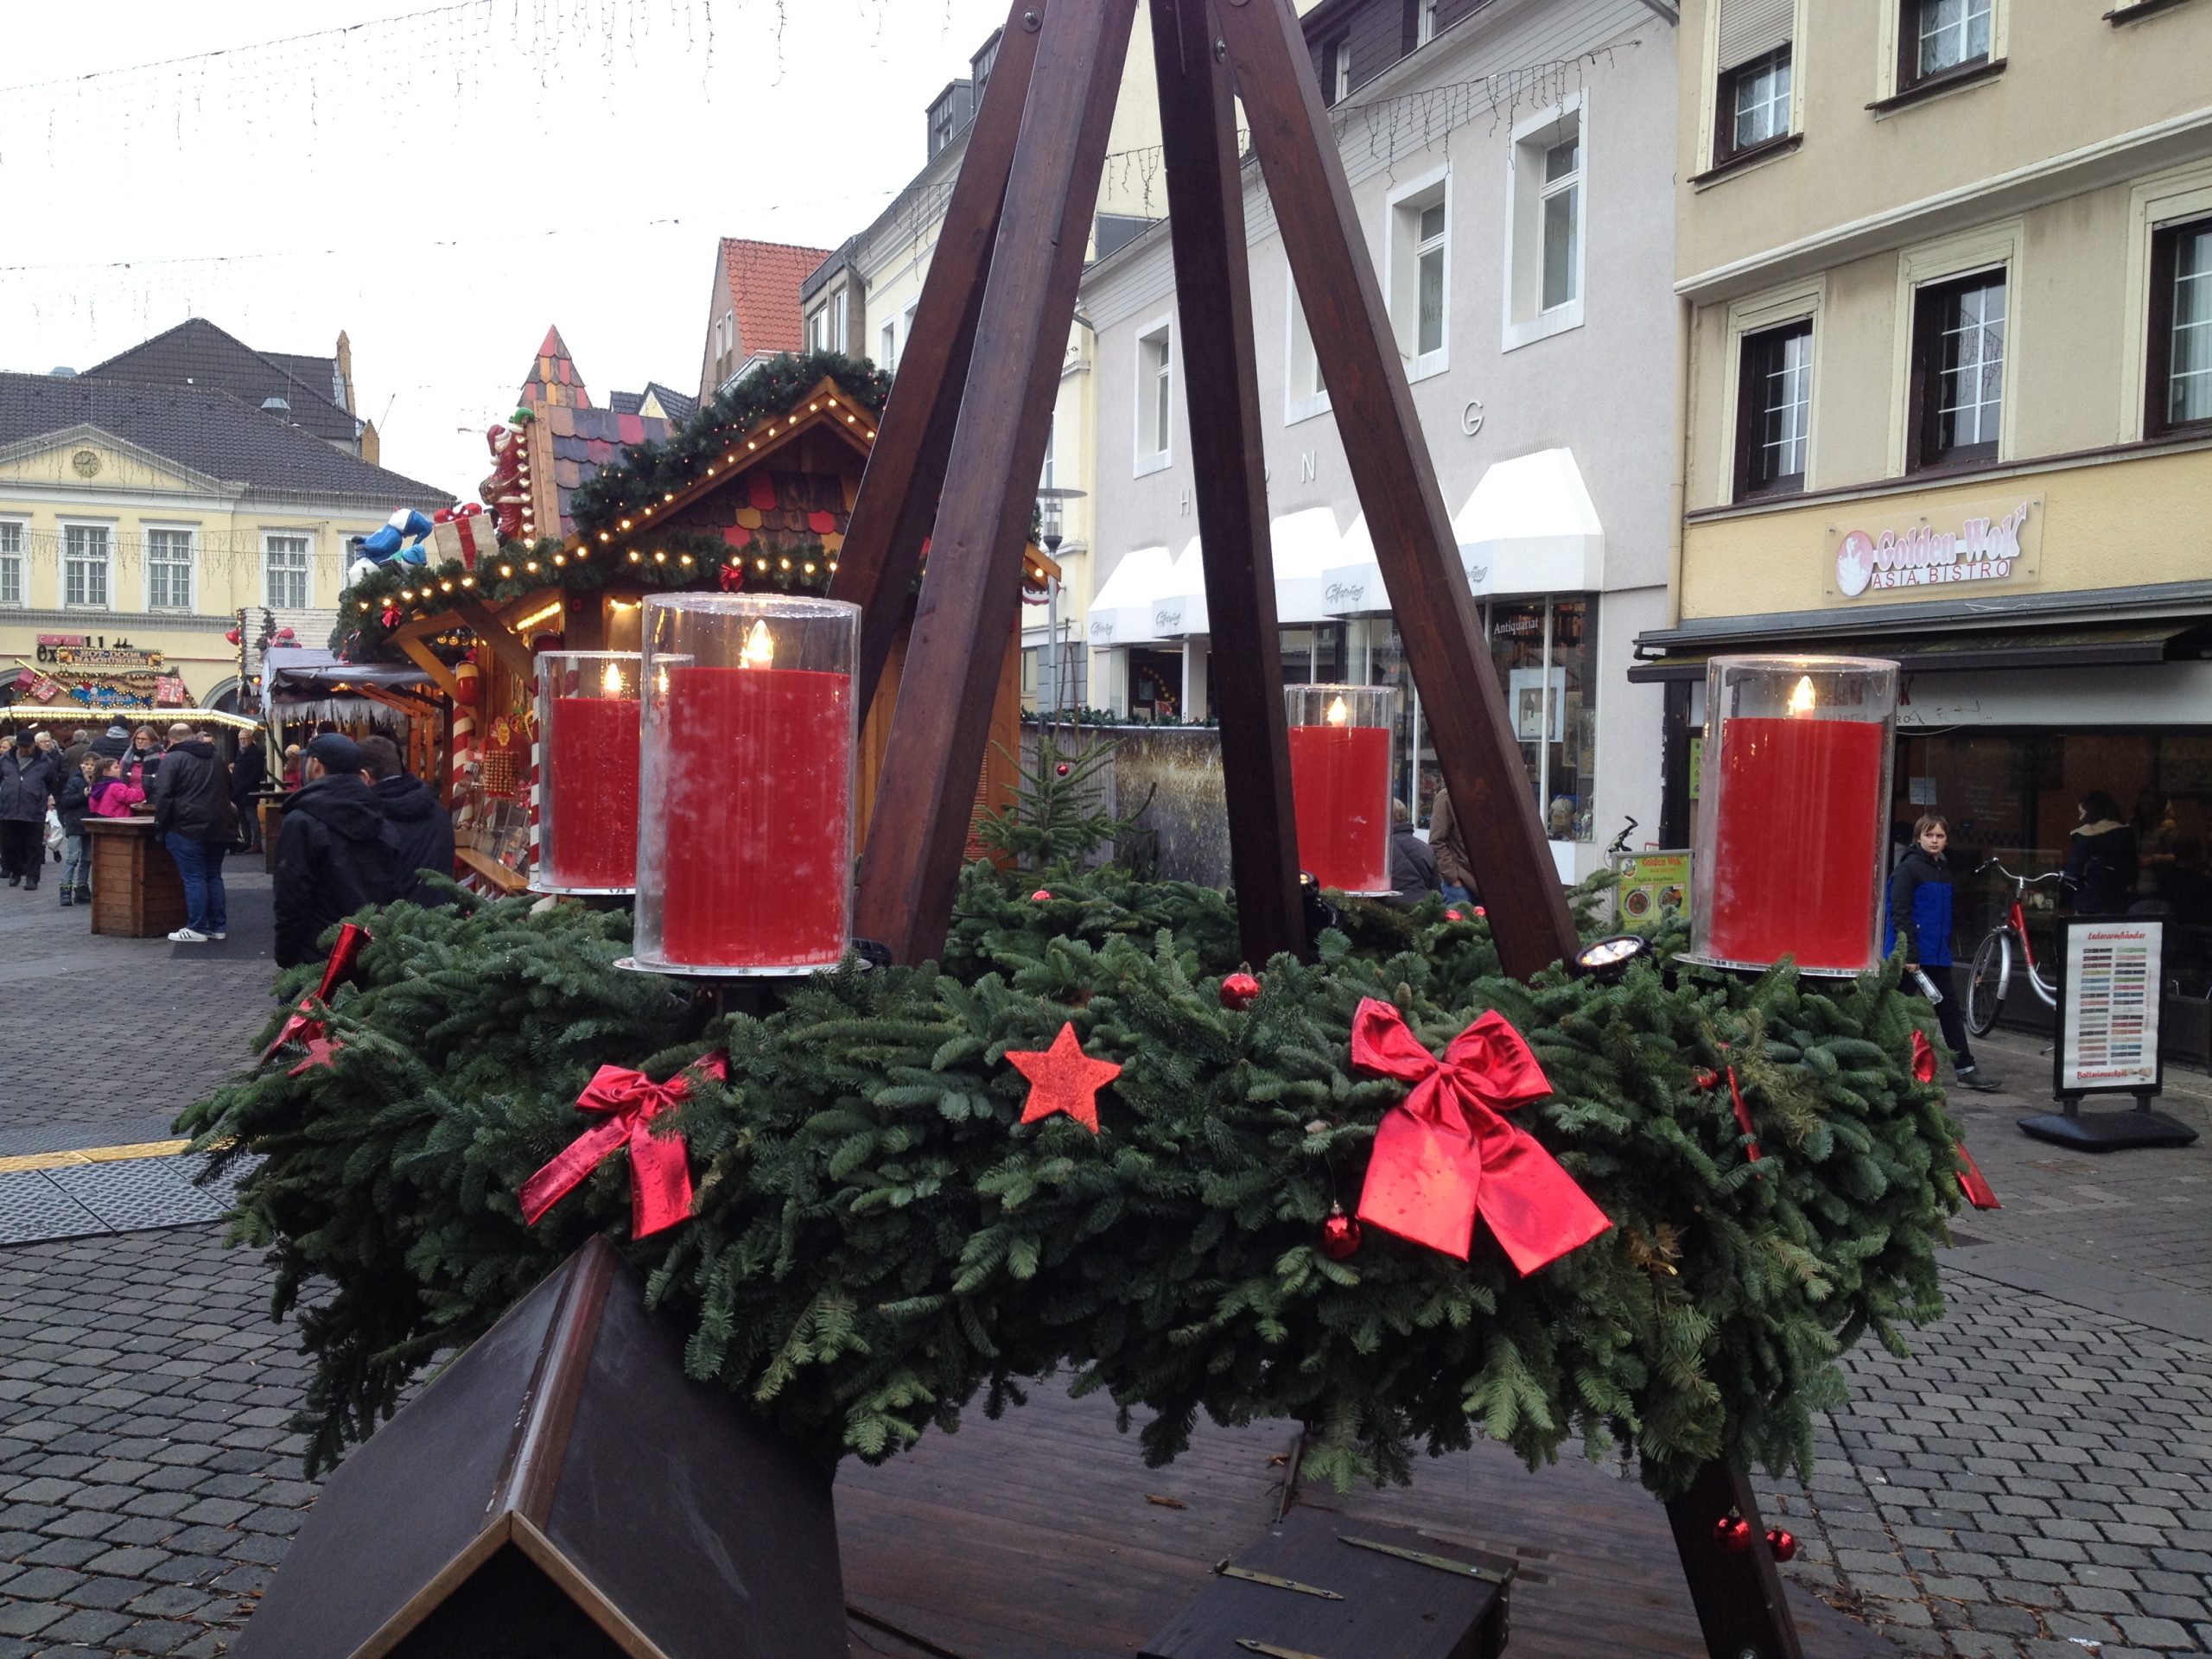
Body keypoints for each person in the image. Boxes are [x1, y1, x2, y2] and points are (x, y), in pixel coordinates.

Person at [1886, 814, 1999, 1093]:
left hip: (1936, 957)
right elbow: (1899, 913)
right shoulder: (1908, 870)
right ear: (1918, 838)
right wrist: (1909, 954)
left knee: (1948, 1010)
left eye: (1939, 836)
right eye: (1929, 835)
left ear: (1946, 840)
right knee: (1892, 1011)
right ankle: (1881, 1062)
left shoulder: (1943, 871)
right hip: (1911, 958)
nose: (1934, 841)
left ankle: (1965, 1067)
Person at [273, 733, 399, 969]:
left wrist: (286, 954)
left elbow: (292, 896)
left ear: (316, 765)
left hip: (316, 950)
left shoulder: (302, 821)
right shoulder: (377, 815)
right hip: (367, 946)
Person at [149, 721, 235, 944]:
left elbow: (163, 795)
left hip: (187, 826)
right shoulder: (217, 758)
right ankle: (218, 926)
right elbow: (228, 788)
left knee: (194, 878)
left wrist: (163, 824)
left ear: (171, 741)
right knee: (213, 876)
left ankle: (197, 927)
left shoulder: (172, 759)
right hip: (219, 825)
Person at [359, 734, 455, 907]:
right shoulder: (438, 812)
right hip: (441, 924)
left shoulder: (370, 820)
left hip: (387, 926)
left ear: (365, 777)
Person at [2063, 791, 2139, 917]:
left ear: (2092, 812)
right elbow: (2131, 872)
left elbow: (2073, 873)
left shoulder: (2084, 836)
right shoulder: (2126, 834)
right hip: (2118, 901)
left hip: (2088, 902)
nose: (2080, 819)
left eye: (2082, 813)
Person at [1, 731, 58, 891]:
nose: (25, 749)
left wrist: (46, 798)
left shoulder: (44, 761)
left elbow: (52, 783)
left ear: (33, 745)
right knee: (9, 845)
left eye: (27, 746)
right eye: (21, 746)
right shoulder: (6, 760)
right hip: (9, 809)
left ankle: (32, 878)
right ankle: (17, 871)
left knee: (33, 846)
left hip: (33, 810)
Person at [1427, 786, 1479, 908]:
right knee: (1458, 926)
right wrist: (1452, 878)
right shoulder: (1446, 798)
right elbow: (1436, 841)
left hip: (1489, 887)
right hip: (1461, 884)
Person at [54, 753, 94, 906]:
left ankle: (81, 888)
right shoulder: (75, 781)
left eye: (93, 765)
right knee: (73, 857)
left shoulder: (98, 781)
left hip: (90, 823)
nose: (90, 767)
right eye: (87, 764)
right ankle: (65, 889)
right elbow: (65, 801)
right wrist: (82, 795)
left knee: (87, 858)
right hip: (75, 823)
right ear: (82, 765)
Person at [1387, 798, 1440, 906]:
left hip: (1388, 910)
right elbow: (1436, 890)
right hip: (1422, 909)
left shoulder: (1382, 850)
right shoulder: (1425, 848)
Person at [231, 731, 269, 852]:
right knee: (242, 818)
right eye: (240, 738)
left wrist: (242, 785)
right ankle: (247, 841)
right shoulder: (240, 752)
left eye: (244, 738)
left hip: (249, 791)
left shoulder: (256, 754)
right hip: (239, 791)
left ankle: (256, 843)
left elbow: (256, 774)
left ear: (251, 739)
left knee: (251, 817)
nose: (242, 741)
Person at [86, 754, 145, 818]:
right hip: (118, 821)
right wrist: (145, 789)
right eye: (116, 768)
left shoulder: (96, 786)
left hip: (101, 820)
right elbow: (131, 796)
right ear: (106, 772)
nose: (119, 770)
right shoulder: (115, 786)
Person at [124, 725, 163, 791]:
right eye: (137, 738)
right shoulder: (128, 755)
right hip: (129, 795)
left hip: (151, 796)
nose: (140, 741)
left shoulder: (161, 756)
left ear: (152, 741)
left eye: (143, 739)